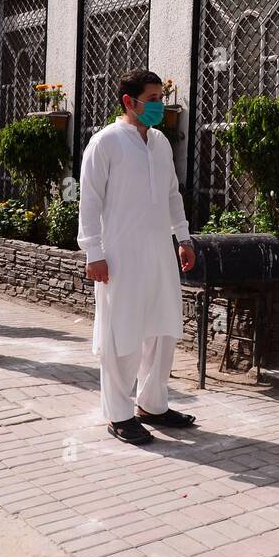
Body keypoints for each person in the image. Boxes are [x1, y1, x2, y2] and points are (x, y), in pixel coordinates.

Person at [78, 69, 197, 446]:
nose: (161, 105)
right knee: (121, 333)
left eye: (162, 97)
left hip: (160, 252)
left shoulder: (160, 143)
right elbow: (90, 201)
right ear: (129, 102)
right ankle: (119, 413)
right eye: (154, 98)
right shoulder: (105, 143)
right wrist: (93, 253)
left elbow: (172, 193)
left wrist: (184, 237)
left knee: (163, 330)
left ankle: (153, 403)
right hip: (119, 255)